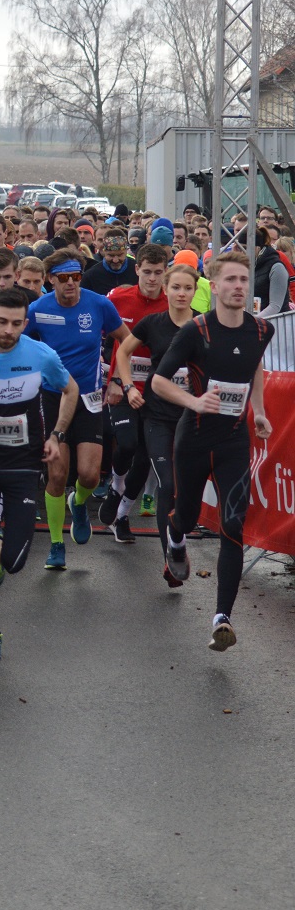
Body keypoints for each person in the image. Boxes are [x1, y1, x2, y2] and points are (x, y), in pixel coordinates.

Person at [151, 251, 273, 650]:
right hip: (195, 438)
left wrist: (258, 410)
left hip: (235, 442)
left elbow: (253, 365)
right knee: (185, 517)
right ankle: (176, 538)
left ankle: (222, 617)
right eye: (232, 280)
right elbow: (158, 381)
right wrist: (194, 402)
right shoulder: (196, 332)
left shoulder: (261, 331)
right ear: (215, 286)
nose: (240, 286)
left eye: (244, 280)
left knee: (233, 525)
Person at [0, 286, 78, 660]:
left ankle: (2, 554)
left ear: (26, 322)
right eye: (1, 322)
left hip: (24, 465)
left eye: (16, 323)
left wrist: (57, 435)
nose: (8, 330)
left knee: (14, 561)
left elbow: (69, 391)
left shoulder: (41, 355)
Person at [28, 249, 131, 570]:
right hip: (52, 398)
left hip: (88, 397)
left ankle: (80, 503)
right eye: (63, 278)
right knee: (57, 474)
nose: (71, 283)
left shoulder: (99, 304)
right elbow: (22, 346)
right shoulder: (37, 310)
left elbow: (126, 341)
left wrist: (115, 378)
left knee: (88, 474)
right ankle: (57, 544)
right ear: (50, 280)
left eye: (76, 277)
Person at [114, 261, 200, 583]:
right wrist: (127, 387)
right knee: (168, 482)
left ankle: (121, 506)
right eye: (175, 287)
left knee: (183, 485)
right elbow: (123, 353)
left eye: (187, 288)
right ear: (165, 290)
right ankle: (171, 555)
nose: (181, 293)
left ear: (195, 291)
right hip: (157, 416)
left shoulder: (203, 326)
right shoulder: (152, 323)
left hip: (191, 418)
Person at [96, 243, 170, 541]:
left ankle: (123, 514)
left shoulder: (173, 305)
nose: (152, 279)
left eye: (158, 273)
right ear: (136, 269)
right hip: (123, 386)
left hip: (156, 391)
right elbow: (103, 342)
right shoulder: (118, 298)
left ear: (165, 273)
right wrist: (111, 380)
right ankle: (115, 486)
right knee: (125, 445)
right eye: (147, 272)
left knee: (145, 457)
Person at [82, 225, 136, 294]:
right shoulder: (91, 276)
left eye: (120, 255)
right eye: (111, 255)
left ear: (126, 251)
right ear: (104, 251)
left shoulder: (138, 271)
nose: (115, 260)